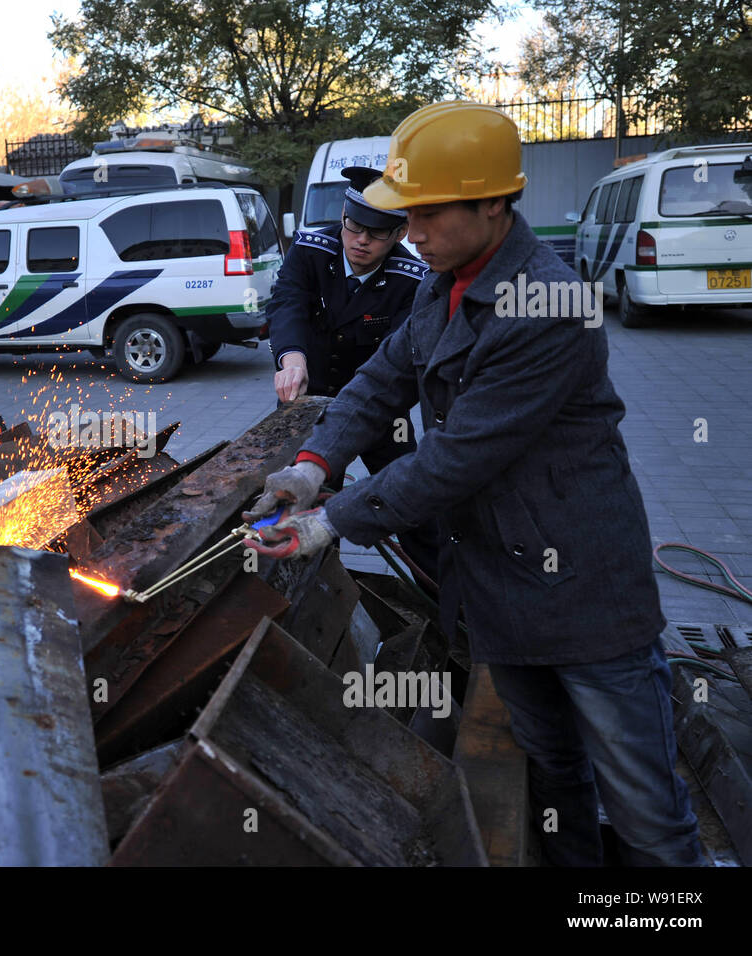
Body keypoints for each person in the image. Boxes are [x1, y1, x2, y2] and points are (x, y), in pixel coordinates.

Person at [245, 101, 701, 867]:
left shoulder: (549, 305)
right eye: (405, 215)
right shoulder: (445, 281)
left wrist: (332, 521)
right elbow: (381, 380)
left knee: (646, 809)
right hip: (500, 586)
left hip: (582, 590)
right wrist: (311, 466)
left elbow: (458, 455)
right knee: (554, 781)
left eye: (426, 214)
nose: (410, 233)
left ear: (494, 202)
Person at [266, 165, 437, 584]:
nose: (360, 240)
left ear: (399, 234)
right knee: (294, 502)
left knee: (412, 503)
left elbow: (400, 360)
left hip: (379, 411)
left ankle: (441, 593)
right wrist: (292, 358)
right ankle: (311, 589)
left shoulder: (413, 279)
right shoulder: (310, 249)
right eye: (353, 226)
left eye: (376, 233)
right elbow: (287, 303)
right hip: (305, 395)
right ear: (343, 216)